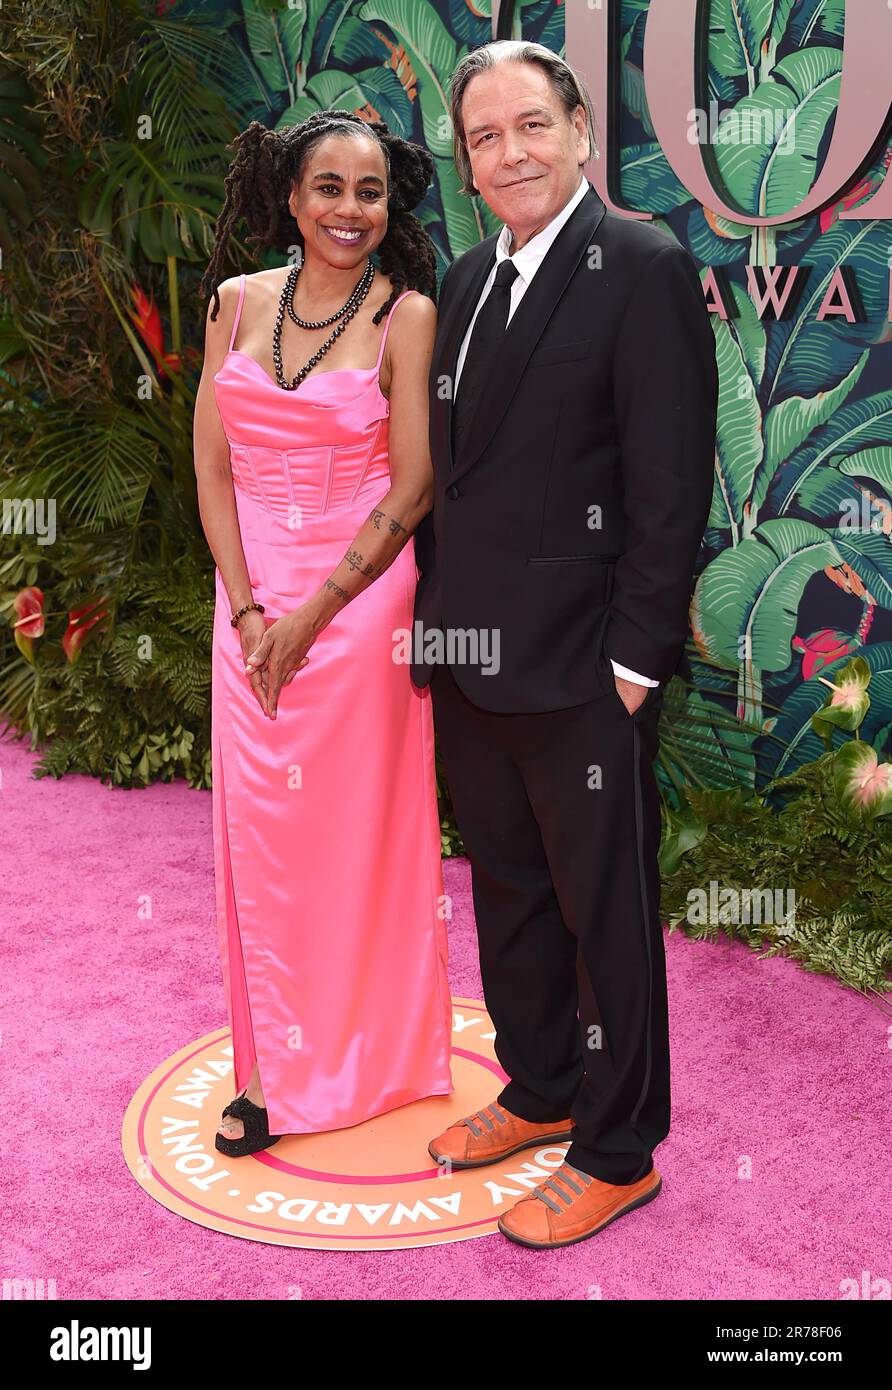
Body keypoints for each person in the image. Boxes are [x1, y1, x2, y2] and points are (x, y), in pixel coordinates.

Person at [411, 41, 719, 1247]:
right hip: (477, 660)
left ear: (581, 129)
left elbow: (668, 478)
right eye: (485, 137)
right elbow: (458, 483)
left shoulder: (639, 265)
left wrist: (635, 661)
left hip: (589, 669)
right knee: (509, 892)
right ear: (468, 163)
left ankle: (616, 1142)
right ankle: (541, 1086)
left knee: (605, 913)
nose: (510, 153)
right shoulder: (466, 277)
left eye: (530, 125)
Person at [193, 111, 453, 1157]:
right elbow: (211, 468)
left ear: (391, 207)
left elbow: (416, 481)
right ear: (291, 199)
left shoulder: (410, 315)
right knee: (261, 843)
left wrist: (310, 613)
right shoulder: (232, 304)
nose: (352, 209)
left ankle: (369, 1063)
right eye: (330, 188)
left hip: (358, 612)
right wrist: (251, 608)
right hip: (247, 604)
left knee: (357, 843)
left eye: (372, 191)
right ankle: (272, 1070)